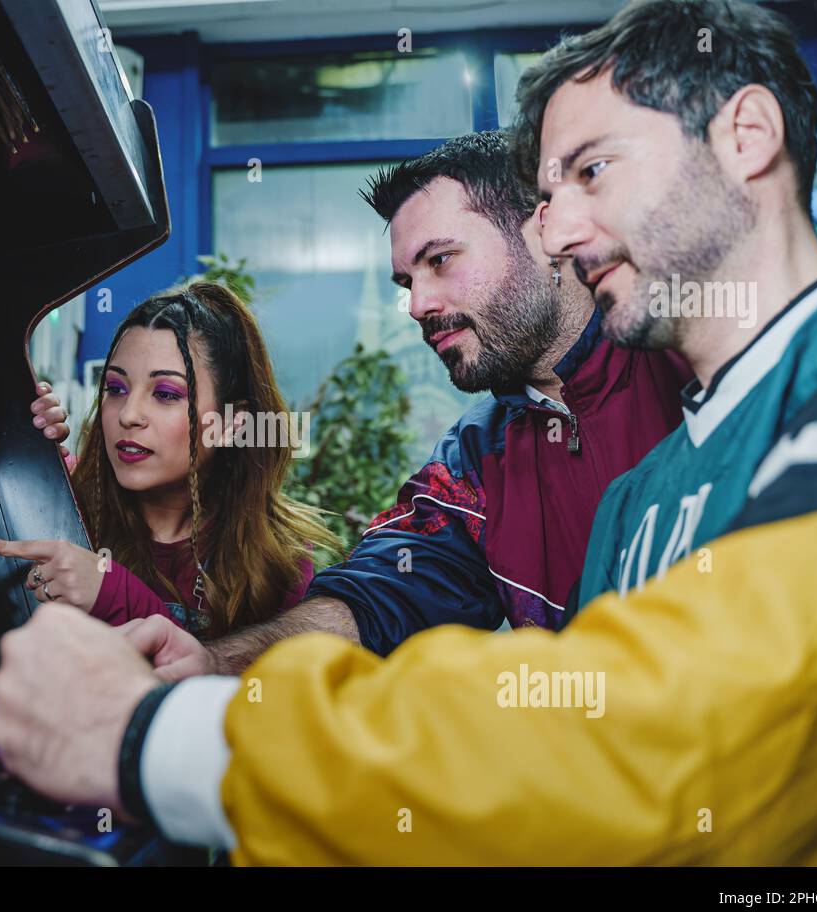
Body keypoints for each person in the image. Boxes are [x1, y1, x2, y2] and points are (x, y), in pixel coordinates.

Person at [0, 0, 817, 864]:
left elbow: (674, 733)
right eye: (549, 192)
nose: (561, 226)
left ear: (746, 135)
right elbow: (396, 606)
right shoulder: (596, 486)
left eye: (592, 171)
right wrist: (211, 669)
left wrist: (160, 743)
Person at [110, 130, 692, 677]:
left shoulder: (698, 369)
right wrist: (215, 663)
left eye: (439, 260)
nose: (416, 305)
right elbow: (378, 597)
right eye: (405, 282)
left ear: (545, 234)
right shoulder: (476, 459)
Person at [0, 281, 338, 637]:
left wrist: (115, 594)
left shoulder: (275, 560)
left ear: (232, 424)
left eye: (166, 394)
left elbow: (243, 691)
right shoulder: (62, 504)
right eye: (116, 388)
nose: (129, 415)